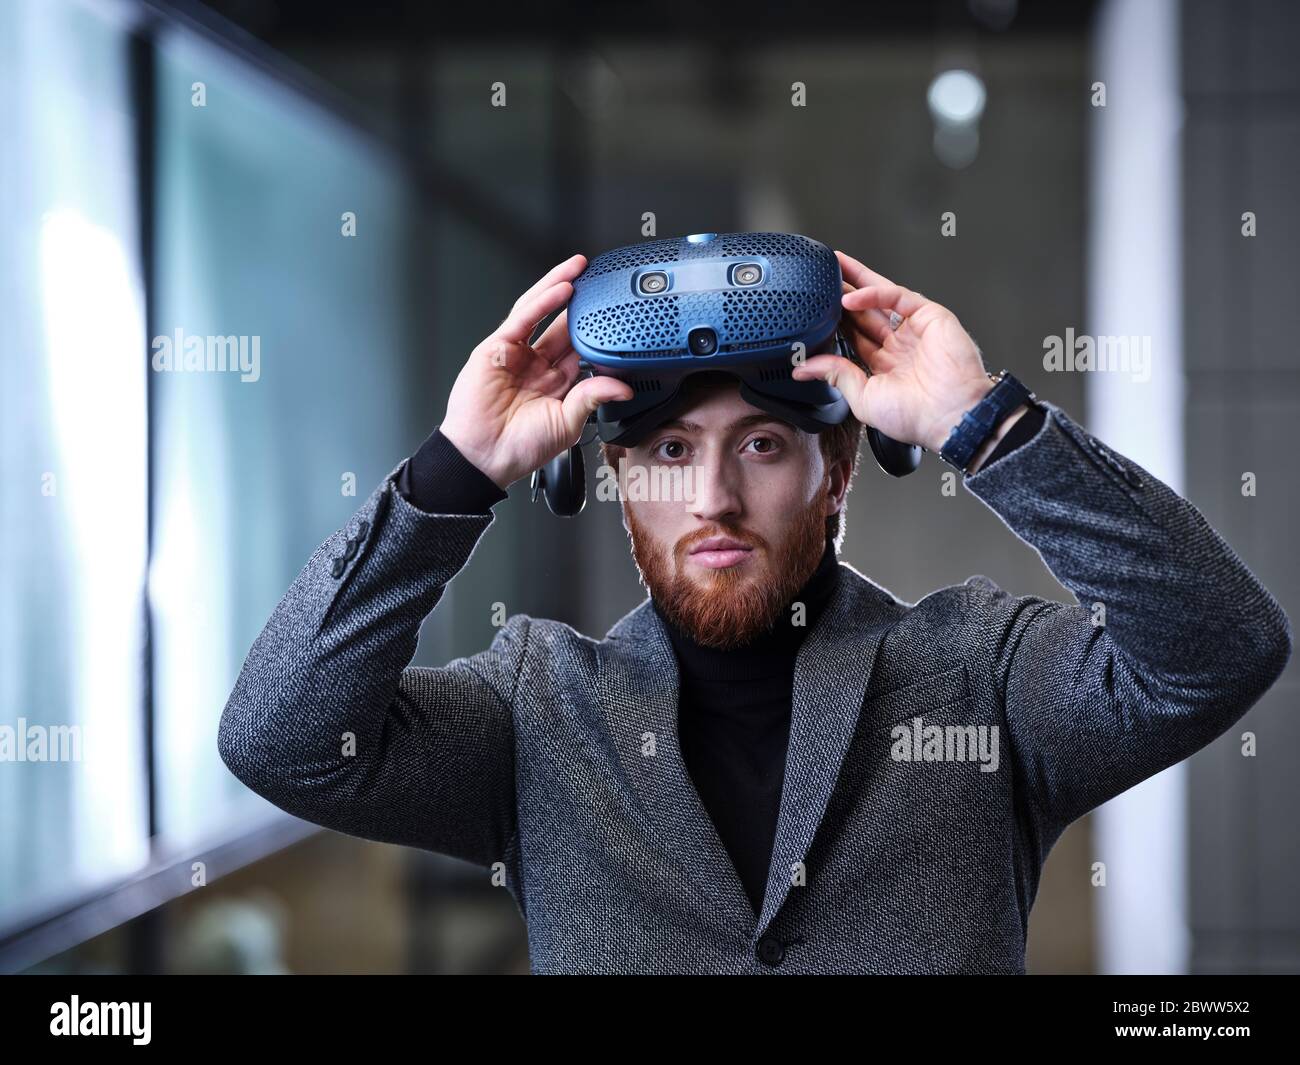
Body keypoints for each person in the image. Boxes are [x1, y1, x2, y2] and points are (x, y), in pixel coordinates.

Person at [218, 249, 1292, 974]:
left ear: (838, 471)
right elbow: (283, 741)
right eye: (670, 453)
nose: (714, 498)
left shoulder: (983, 680)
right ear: (609, 481)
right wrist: (454, 474)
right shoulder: (535, 717)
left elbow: (1217, 649)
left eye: (762, 446)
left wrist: (985, 425)